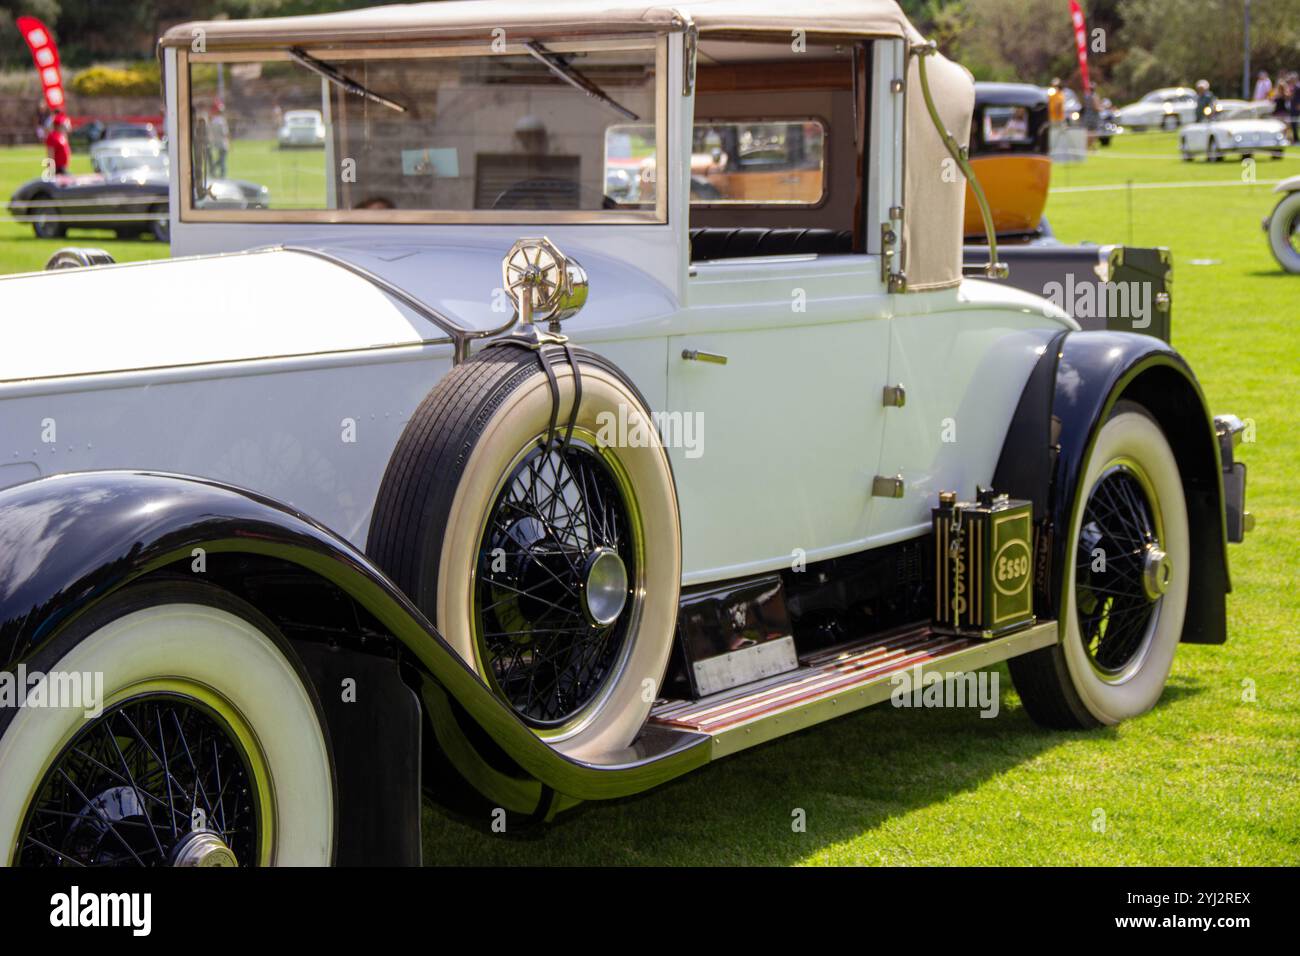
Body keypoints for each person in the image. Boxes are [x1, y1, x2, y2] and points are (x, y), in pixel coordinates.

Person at [207, 99, 230, 178]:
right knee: (222, 160)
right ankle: (222, 175)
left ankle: (212, 169)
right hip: (222, 143)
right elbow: (225, 133)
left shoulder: (212, 121)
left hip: (215, 143)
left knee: (221, 159)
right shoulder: (221, 121)